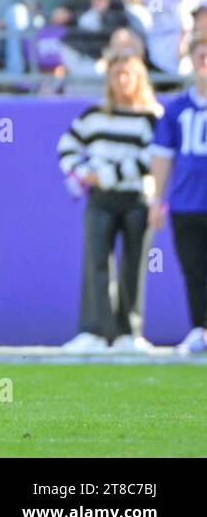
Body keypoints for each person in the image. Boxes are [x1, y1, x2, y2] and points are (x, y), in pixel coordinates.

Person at [56, 49, 161, 352]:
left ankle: (130, 333)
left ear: (139, 78)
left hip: (136, 198)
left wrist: (106, 174)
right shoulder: (94, 115)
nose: (122, 80)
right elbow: (66, 145)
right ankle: (96, 332)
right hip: (101, 200)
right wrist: (81, 173)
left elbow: (150, 160)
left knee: (133, 264)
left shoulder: (151, 116)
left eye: (128, 73)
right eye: (116, 74)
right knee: (97, 261)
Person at [149, 36, 207, 355]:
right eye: (200, 55)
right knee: (194, 270)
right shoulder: (176, 109)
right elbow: (161, 156)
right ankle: (199, 328)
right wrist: (157, 199)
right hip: (187, 204)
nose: (205, 61)